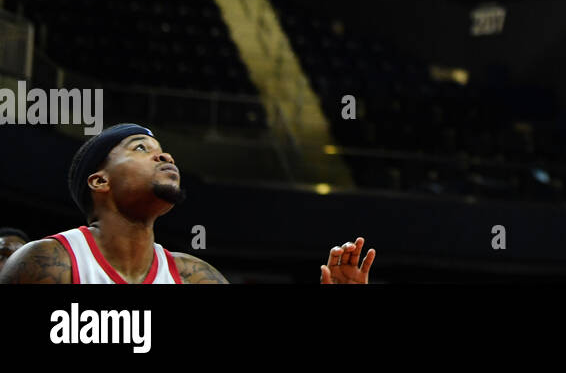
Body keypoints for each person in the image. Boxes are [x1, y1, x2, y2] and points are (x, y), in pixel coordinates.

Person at [0, 124, 373, 284]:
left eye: (164, 152)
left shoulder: (196, 276)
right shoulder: (47, 263)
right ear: (100, 181)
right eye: (142, 149)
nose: (165, 158)